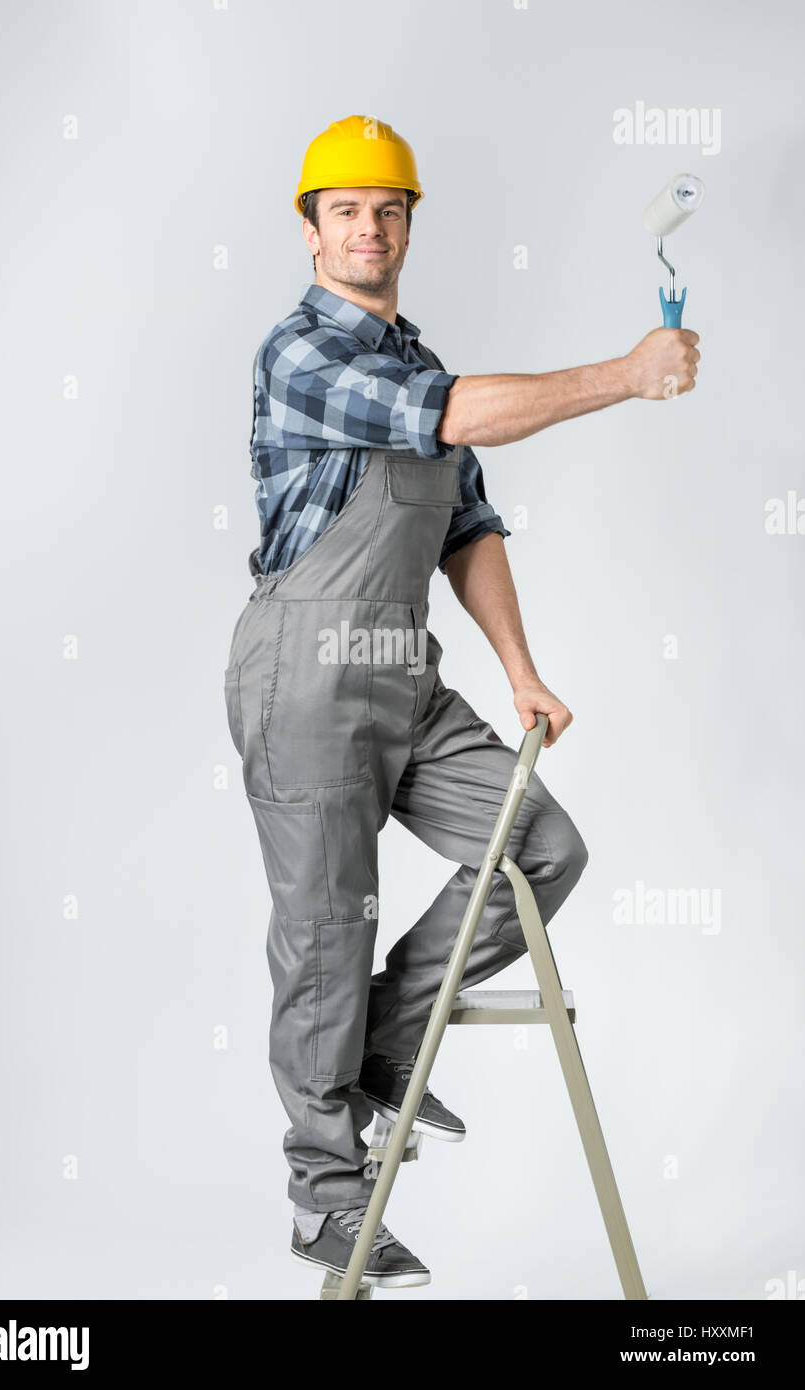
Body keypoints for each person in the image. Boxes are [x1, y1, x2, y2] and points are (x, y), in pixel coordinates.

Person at [223, 114, 700, 1290]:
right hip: (304, 673)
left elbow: (468, 525)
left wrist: (521, 670)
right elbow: (453, 418)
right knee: (325, 933)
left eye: (388, 210)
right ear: (310, 230)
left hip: (406, 673)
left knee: (538, 844)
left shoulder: (419, 358)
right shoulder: (299, 353)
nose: (369, 228)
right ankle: (325, 1197)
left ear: (408, 226)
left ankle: (388, 1041)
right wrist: (625, 376)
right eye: (346, 210)